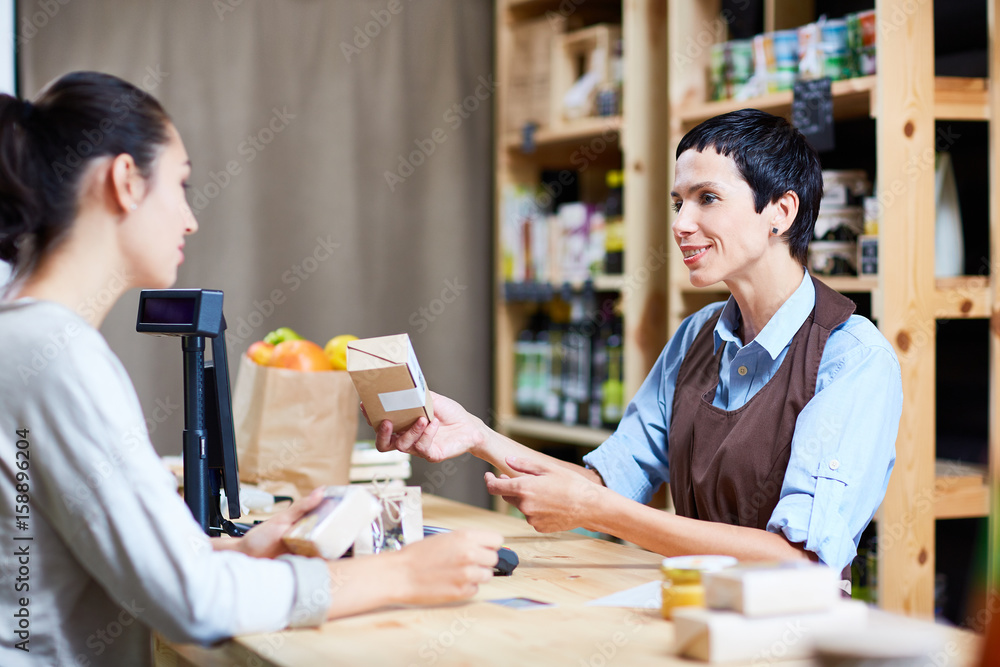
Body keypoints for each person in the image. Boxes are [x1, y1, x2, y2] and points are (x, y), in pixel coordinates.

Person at [0, 71, 502, 666]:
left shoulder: (24, 338)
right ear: (125, 181)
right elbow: (192, 605)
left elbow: (100, 558)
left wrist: (237, 552)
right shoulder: (59, 357)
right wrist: (400, 576)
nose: (189, 219)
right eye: (180, 185)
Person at [374, 109, 901, 586]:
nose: (680, 224)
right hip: (691, 615)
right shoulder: (696, 338)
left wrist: (595, 510)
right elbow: (607, 482)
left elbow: (796, 561)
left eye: (707, 199)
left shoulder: (851, 358)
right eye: (677, 202)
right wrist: (477, 435)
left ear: (780, 212)